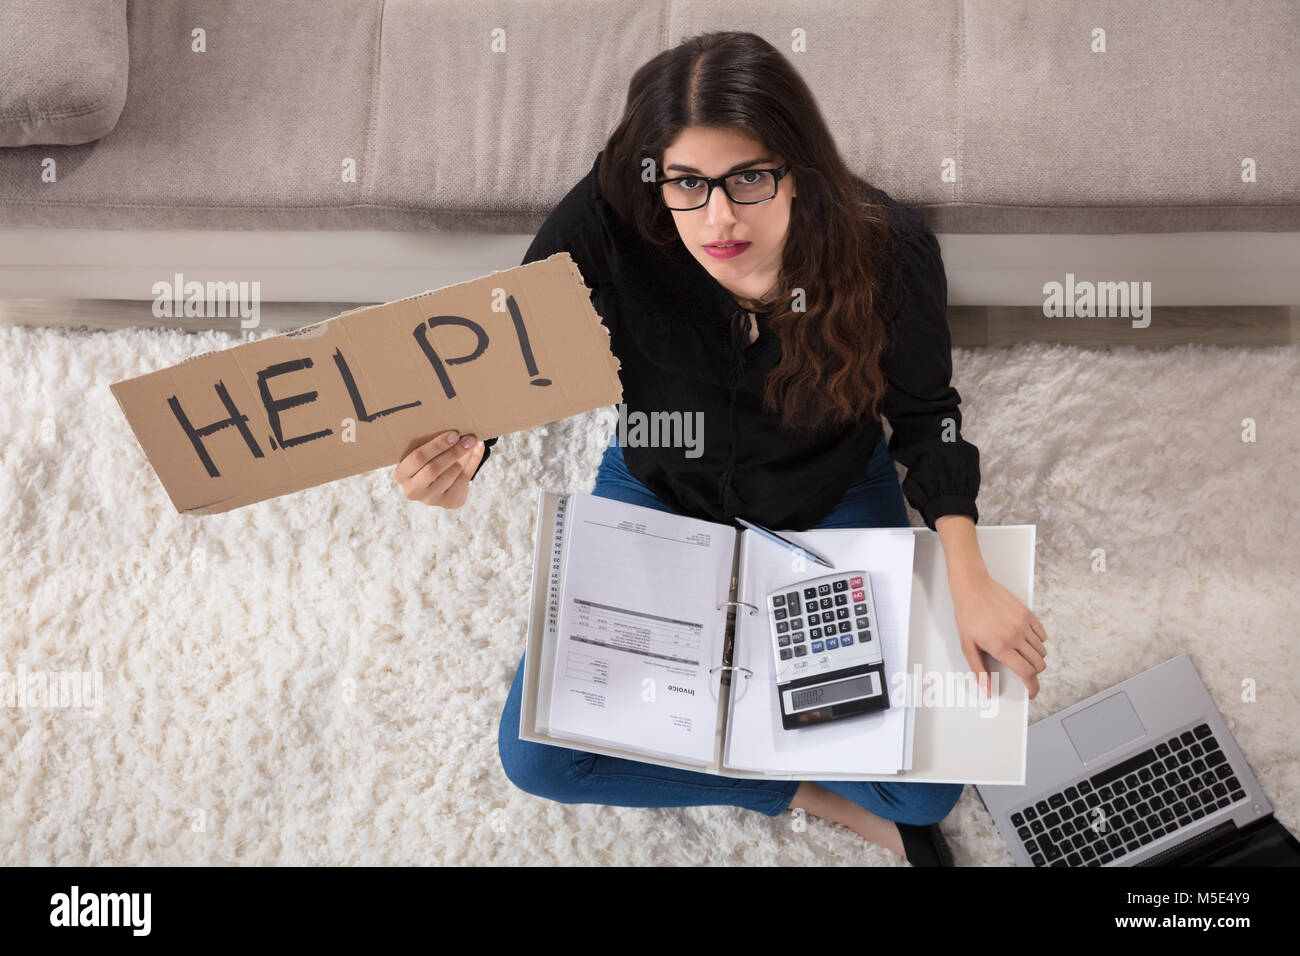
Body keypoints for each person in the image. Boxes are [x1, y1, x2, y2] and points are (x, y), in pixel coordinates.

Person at [393, 31, 1049, 865]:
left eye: (748, 177)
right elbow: (516, 359)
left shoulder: (888, 246)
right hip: (658, 486)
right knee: (540, 756)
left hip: (832, 495)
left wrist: (968, 574)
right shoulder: (606, 219)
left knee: (925, 788)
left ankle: (803, 767)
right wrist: (465, 453)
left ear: (799, 165)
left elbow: (927, 415)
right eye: (687, 184)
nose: (720, 218)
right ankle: (803, 795)